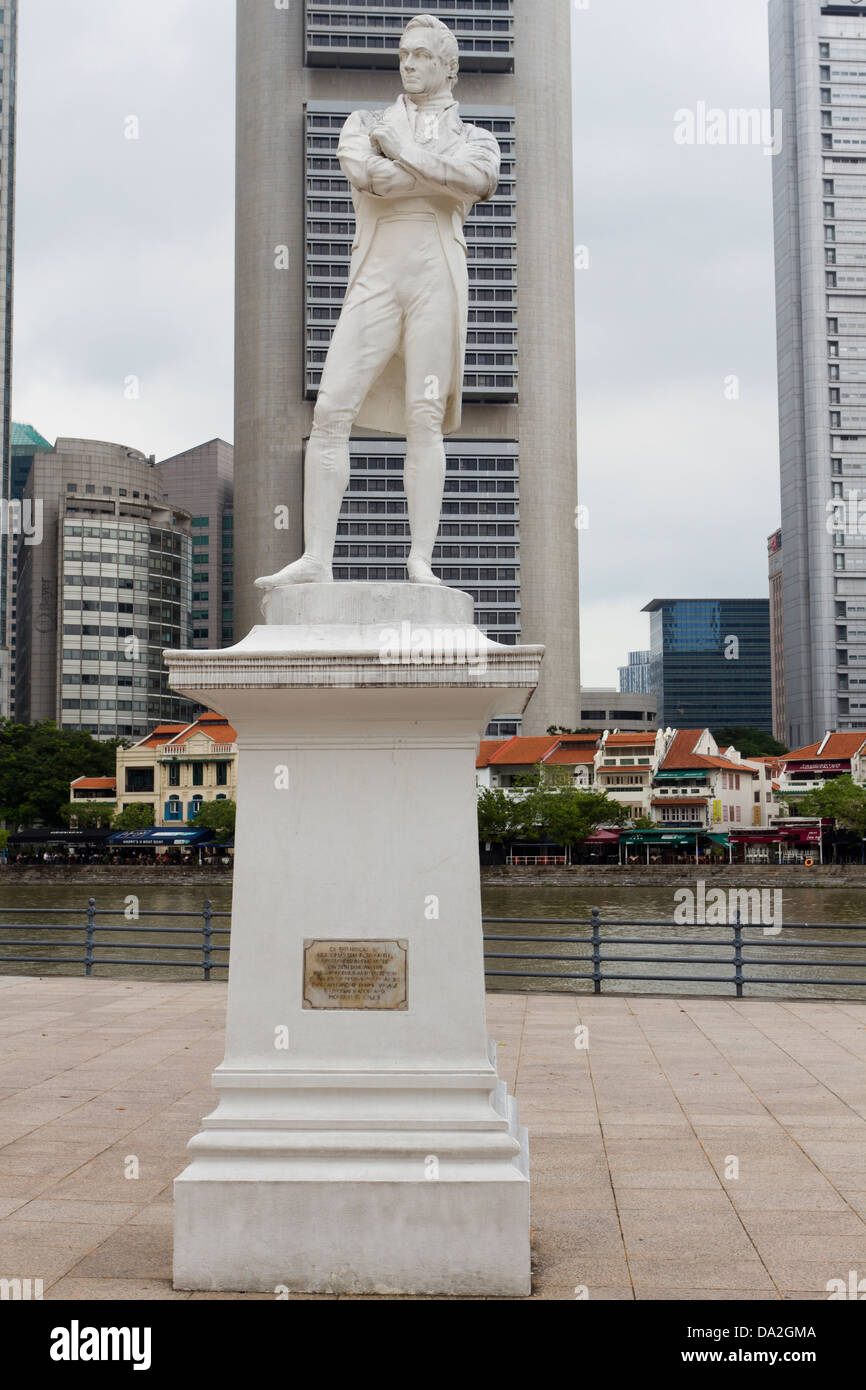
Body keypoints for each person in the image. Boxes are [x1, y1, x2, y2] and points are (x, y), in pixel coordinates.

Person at [256, 13, 500, 592]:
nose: (409, 64)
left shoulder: (477, 137)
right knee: (330, 408)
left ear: (449, 67)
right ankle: (317, 556)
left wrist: (405, 154)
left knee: (425, 417)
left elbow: (478, 182)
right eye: (403, 54)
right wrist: (431, 172)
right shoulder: (365, 123)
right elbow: (377, 181)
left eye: (421, 55)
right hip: (378, 272)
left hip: (437, 274)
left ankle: (420, 557)